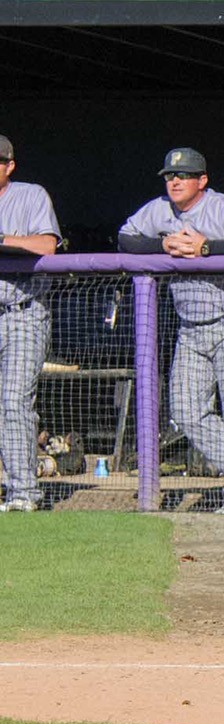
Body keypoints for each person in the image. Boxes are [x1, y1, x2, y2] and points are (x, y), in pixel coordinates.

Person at [117, 148, 224, 516]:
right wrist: (162, 244)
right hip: (191, 327)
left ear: (202, 181)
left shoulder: (221, 207)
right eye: (170, 176)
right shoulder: (158, 209)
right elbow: (125, 237)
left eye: (183, 176)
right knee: (185, 412)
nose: (174, 181)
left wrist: (207, 247)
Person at [0, 134, 59, 512]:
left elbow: (47, 245)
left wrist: (3, 239)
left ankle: (24, 492)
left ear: (9, 165)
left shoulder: (31, 194)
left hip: (22, 311)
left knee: (13, 402)